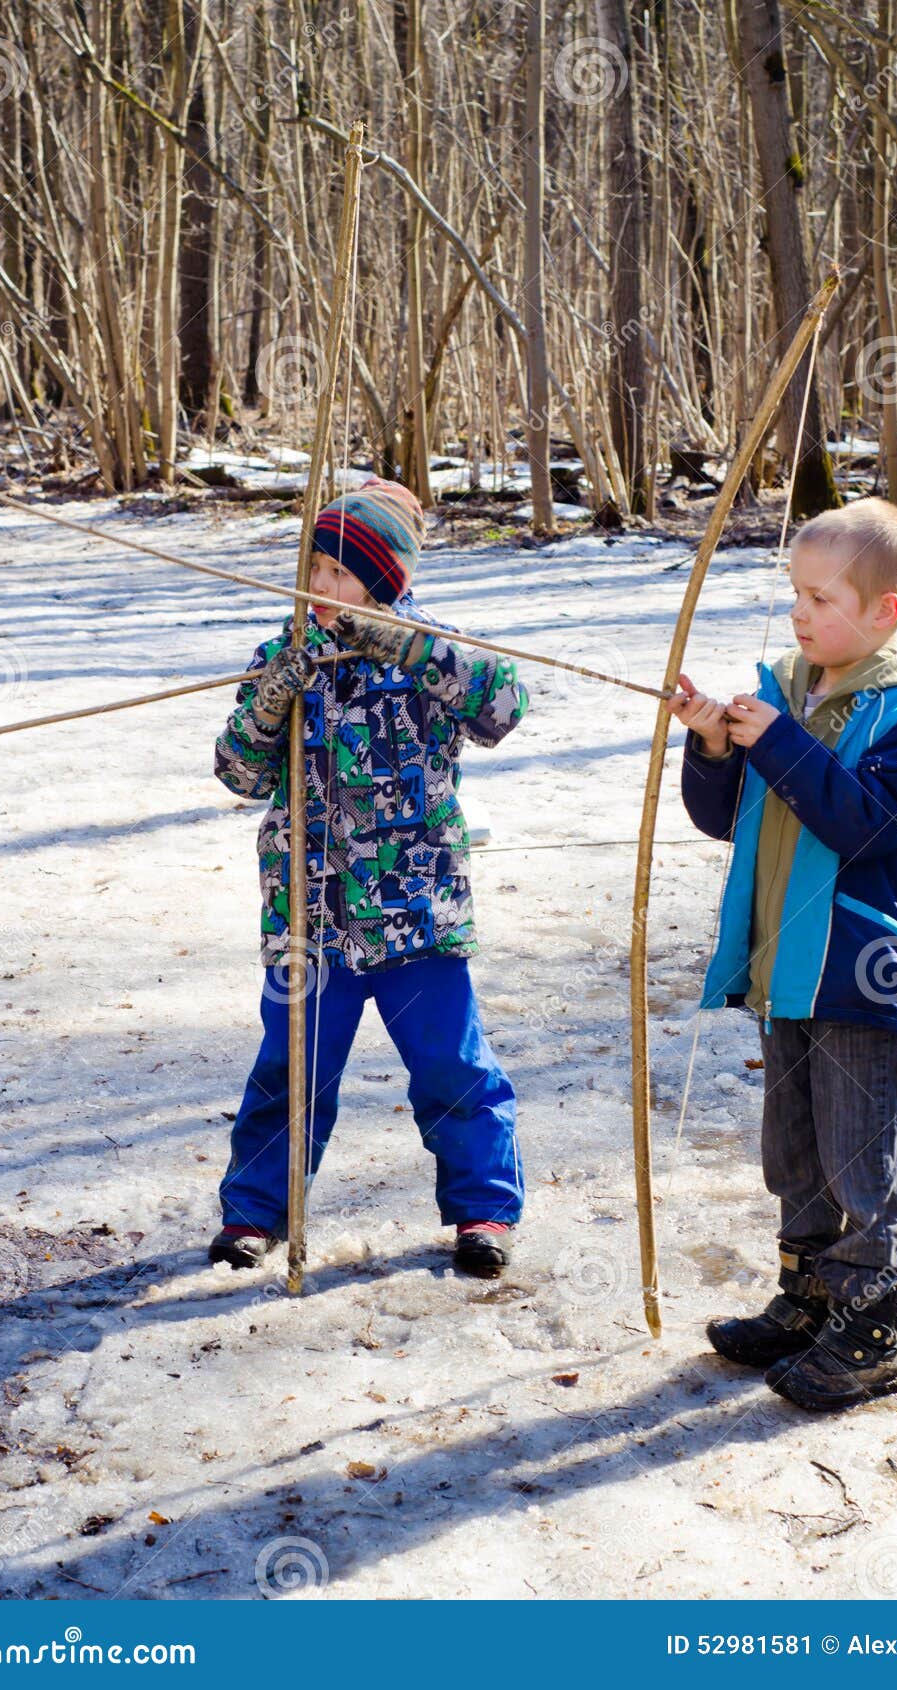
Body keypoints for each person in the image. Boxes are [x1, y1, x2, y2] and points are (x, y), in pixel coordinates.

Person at [668, 497, 897, 1410]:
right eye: (795, 593)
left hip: (859, 971)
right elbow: (728, 819)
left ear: (883, 612)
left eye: (821, 599)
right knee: (793, 1147)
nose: (799, 613)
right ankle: (808, 1300)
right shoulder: (790, 692)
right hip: (785, 965)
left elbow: (864, 824)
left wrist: (782, 741)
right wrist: (715, 747)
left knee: (857, 1154)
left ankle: (868, 1333)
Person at [210, 477, 529, 1278]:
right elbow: (239, 773)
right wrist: (269, 702)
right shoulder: (284, 655)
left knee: (451, 1065)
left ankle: (483, 1208)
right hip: (309, 915)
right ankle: (256, 1212)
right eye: (313, 569)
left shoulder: (430, 651)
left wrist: (411, 648)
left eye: (341, 573)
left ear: (386, 580)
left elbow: (503, 708)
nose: (321, 586)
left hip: (416, 910)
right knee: (291, 1069)